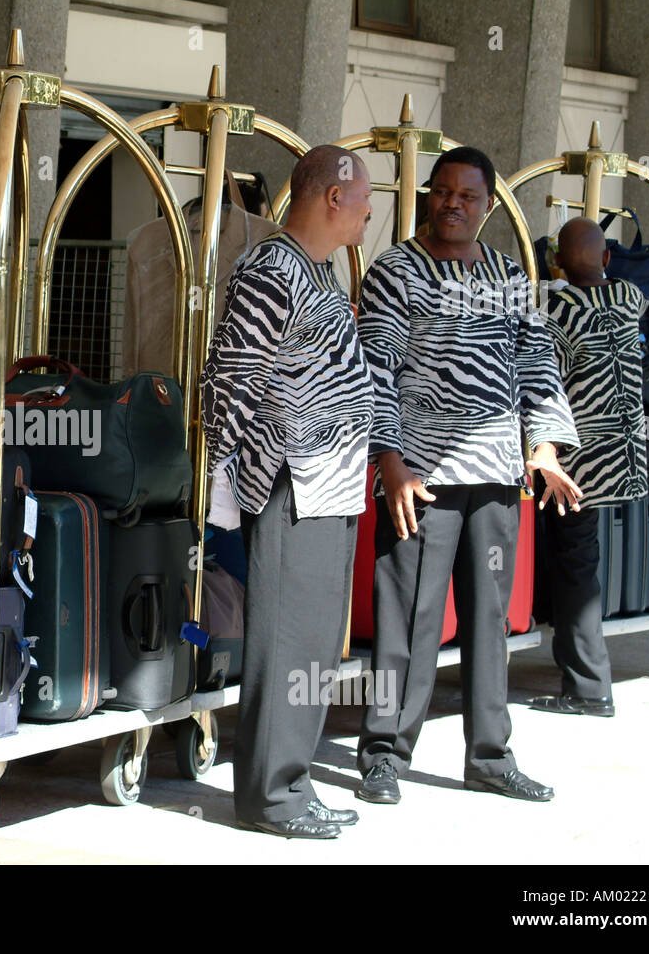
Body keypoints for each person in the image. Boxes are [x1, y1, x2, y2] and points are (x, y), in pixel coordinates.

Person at [354, 147, 583, 806]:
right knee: (409, 622)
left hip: (495, 477)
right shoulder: (396, 270)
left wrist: (544, 449)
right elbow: (378, 368)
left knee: (490, 622)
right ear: (429, 195)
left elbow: (538, 361)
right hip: (419, 477)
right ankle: (383, 753)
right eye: (443, 192)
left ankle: (489, 753)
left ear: (487, 204)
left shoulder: (510, 274)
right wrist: (389, 461)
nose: (453, 205)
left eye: (467, 196)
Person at [201, 144, 375, 839]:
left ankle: (292, 784)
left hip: (327, 488)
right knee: (287, 645)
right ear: (334, 197)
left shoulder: (315, 272)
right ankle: (271, 797)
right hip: (291, 484)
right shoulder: (274, 268)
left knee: (311, 650)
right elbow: (233, 377)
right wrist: (217, 483)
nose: (368, 213)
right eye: (364, 199)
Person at [531, 217, 649, 717]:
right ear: (606, 260)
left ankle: (589, 687)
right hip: (626, 455)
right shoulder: (628, 297)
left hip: (577, 460)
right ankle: (574, 666)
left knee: (575, 564)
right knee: (585, 560)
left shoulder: (558, 309)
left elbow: (542, 374)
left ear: (557, 264)